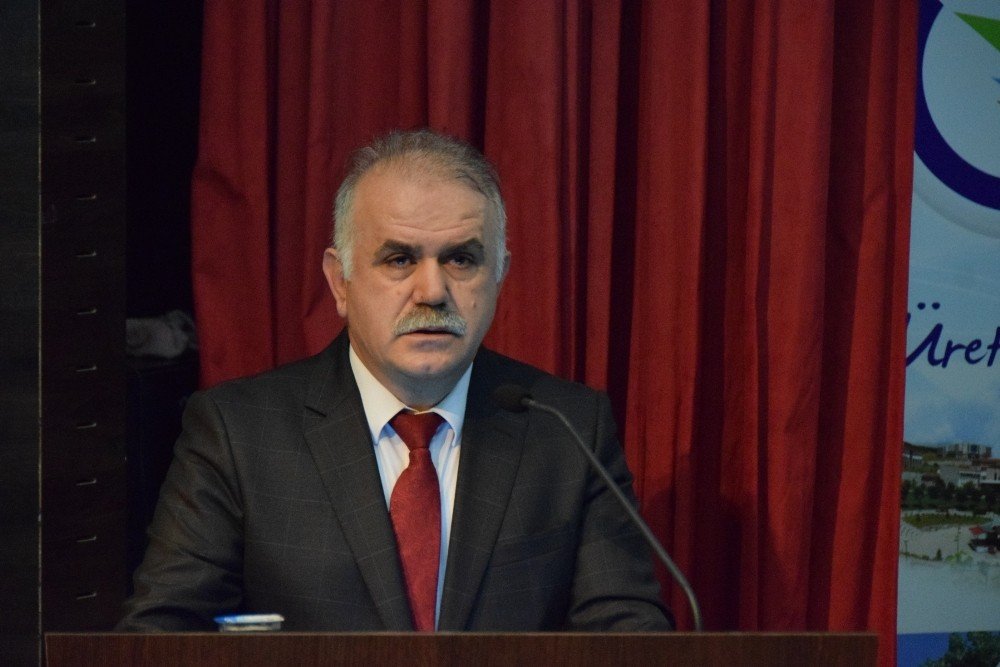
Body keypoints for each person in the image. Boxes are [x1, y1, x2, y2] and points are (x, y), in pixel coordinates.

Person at [118, 129, 671, 632]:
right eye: (400, 259)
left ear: (499, 275)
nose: (432, 291)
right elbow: (162, 637)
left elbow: (628, 636)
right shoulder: (238, 433)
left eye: (461, 259)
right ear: (340, 281)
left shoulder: (568, 430)